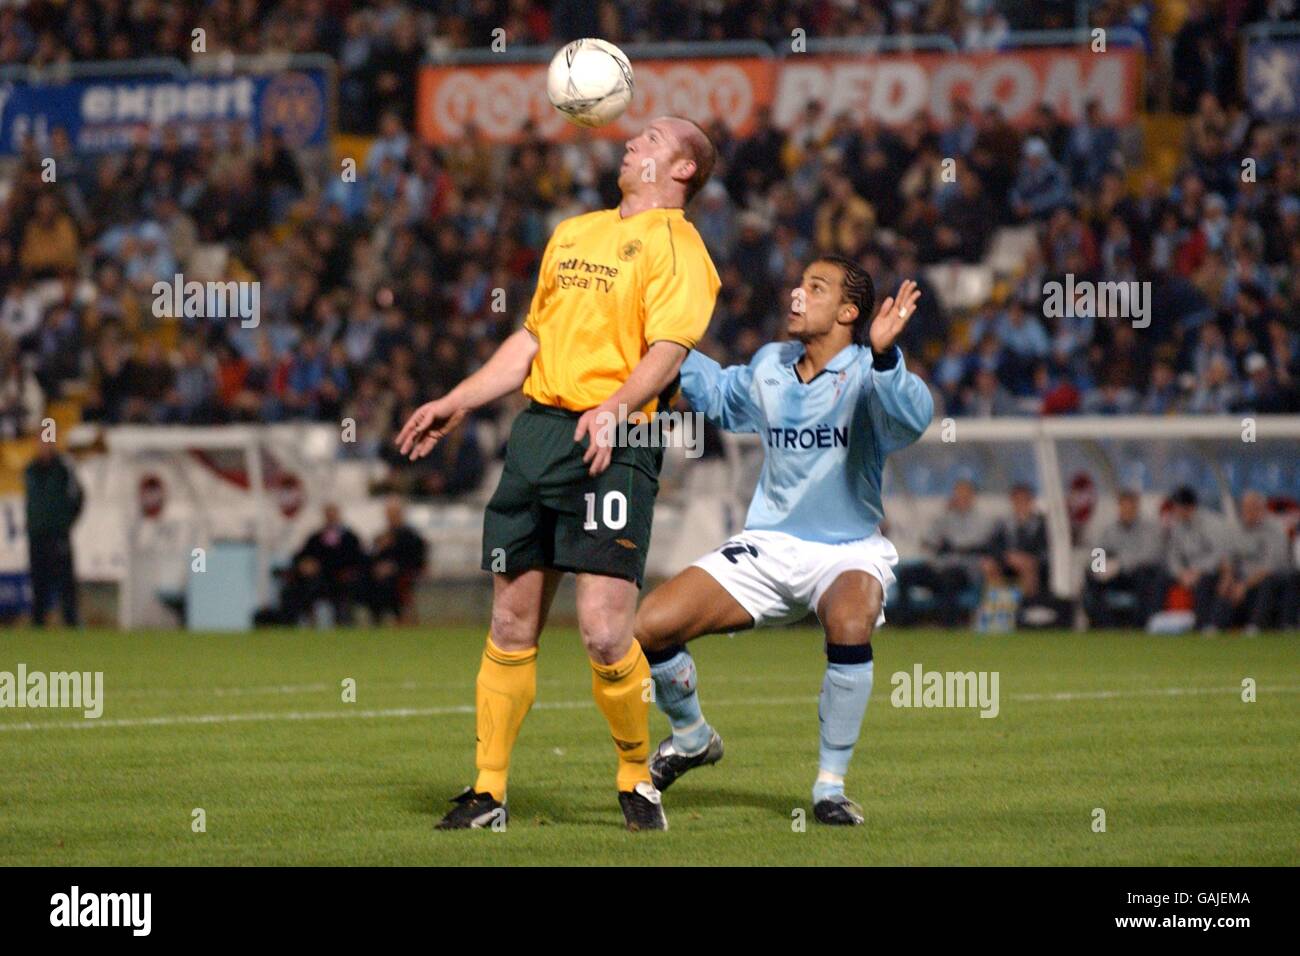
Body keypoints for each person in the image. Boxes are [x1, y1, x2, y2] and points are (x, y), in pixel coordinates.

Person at [397, 117, 720, 831]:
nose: (636, 139)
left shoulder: (682, 248)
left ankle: (637, 778)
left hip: (617, 437)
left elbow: (667, 351)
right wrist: (458, 398)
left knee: (606, 632)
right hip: (541, 433)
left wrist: (615, 407)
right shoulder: (574, 231)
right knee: (510, 621)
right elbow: (532, 340)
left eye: (655, 136)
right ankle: (488, 793)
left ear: (684, 170)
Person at [633, 258, 932, 826]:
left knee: (849, 622)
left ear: (847, 312)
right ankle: (693, 737)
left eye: (815, 288)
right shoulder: (772, 364)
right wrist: (665, 340)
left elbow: (913, 418)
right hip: (768, 545)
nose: (797, 294)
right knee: (650, 625)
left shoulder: (870, 371)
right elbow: (721, 394)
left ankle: (829, 787)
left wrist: (889, 355)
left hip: (847, 549)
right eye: (799, 284)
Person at [892, 478, 998, 626]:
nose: (961, 498)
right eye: (958, 494)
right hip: (939, 567)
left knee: (950, 578)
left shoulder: (982, 520)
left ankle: (948, 624)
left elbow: (970, 545)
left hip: (963, 570)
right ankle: (903, 622)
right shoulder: (945, 517)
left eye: (965, 494)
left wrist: (950, 545)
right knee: (906, 574)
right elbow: (929, 542)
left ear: (972, 497)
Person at [1083, 489, 1167, 627]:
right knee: (1092, 576)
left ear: (1136, 507)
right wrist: (1100, 567)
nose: (1127, 510)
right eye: (1124, 506)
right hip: (1115, 576)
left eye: (1130, 507)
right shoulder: (1109, 530)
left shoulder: (1149, 528)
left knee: (1145, 575)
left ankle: (1139, 624)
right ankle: (1103, 624)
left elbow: (1150, 555)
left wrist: (1120, 564)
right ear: (1119, 507)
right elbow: (1098, 550)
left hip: (1138, 574)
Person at [1211, 491, 1294, 632]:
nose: (1248, 511)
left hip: (1271, 576)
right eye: (1245, 507)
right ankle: (1215, 625)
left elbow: (1270, 566)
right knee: (1221, 580)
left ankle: (1256, 624)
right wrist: (1228, 576)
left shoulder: (1275, 529)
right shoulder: (1236, 528)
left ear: (1262, 508)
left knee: (1268, 581)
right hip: (1243, 576)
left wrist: (1244, 585)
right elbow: (1228, 555)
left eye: (1252, 507)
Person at [24, 438, 84, 626]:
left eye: (47, 444)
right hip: (36, 534)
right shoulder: (30, 470)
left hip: (58, 534)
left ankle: (71, 621)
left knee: (65, 581)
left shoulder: (63, 469)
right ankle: (38, 622)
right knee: (38, 580)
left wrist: (65, 522)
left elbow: (78, 497)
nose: (44, 448)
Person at [279, 503, 366, 625]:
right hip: (318, 578)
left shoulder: (349, 537)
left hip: (341, 579)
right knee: (292, 590)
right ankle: (291, 624)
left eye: (333, 514)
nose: (330, 517)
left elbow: (359, 558)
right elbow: (301, 555)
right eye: (328, 514)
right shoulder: (316, 536)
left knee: (349, 588)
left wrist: (346, 570)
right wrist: (305, 564)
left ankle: (343, 622)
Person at [1165, 486, 1224, 630]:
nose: (1174, 510)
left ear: (1189, 507)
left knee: (1205, 582)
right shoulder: (1178, 526)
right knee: (1160, 578)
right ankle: (1152, 623)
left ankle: (1200, 626)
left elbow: (1218, 554)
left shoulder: (1211, 523)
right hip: (1186, 573)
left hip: (1208, 571)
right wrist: (1181, 573)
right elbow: (1173, 555)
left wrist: (1198, 571)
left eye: (1177, 506)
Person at [981, 483, 1048, 601]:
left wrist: (1024, 558)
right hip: (1008, 561)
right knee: (988, 565)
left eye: (1024, 500)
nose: (1020, 504)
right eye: (1017, 500)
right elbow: (992, 546)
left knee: (1027, 564)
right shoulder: (1004, 523)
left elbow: (1043, 548)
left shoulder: (1041, 523)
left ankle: (1027, 605)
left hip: (1032, 563)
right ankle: (1000, 608)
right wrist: (1007, 557)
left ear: (1031, 502)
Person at [366, 497, 428, 624]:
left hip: (402, 572)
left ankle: (399, 617)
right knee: (366, 580)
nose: (391, 517)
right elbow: (372, 556)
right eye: (389, 514)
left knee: (390, 584)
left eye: (394, 513)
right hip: (381, 574)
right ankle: (376, 618)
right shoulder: (382, 535)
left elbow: (416, 558)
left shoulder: (411, 535)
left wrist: (393, 567)